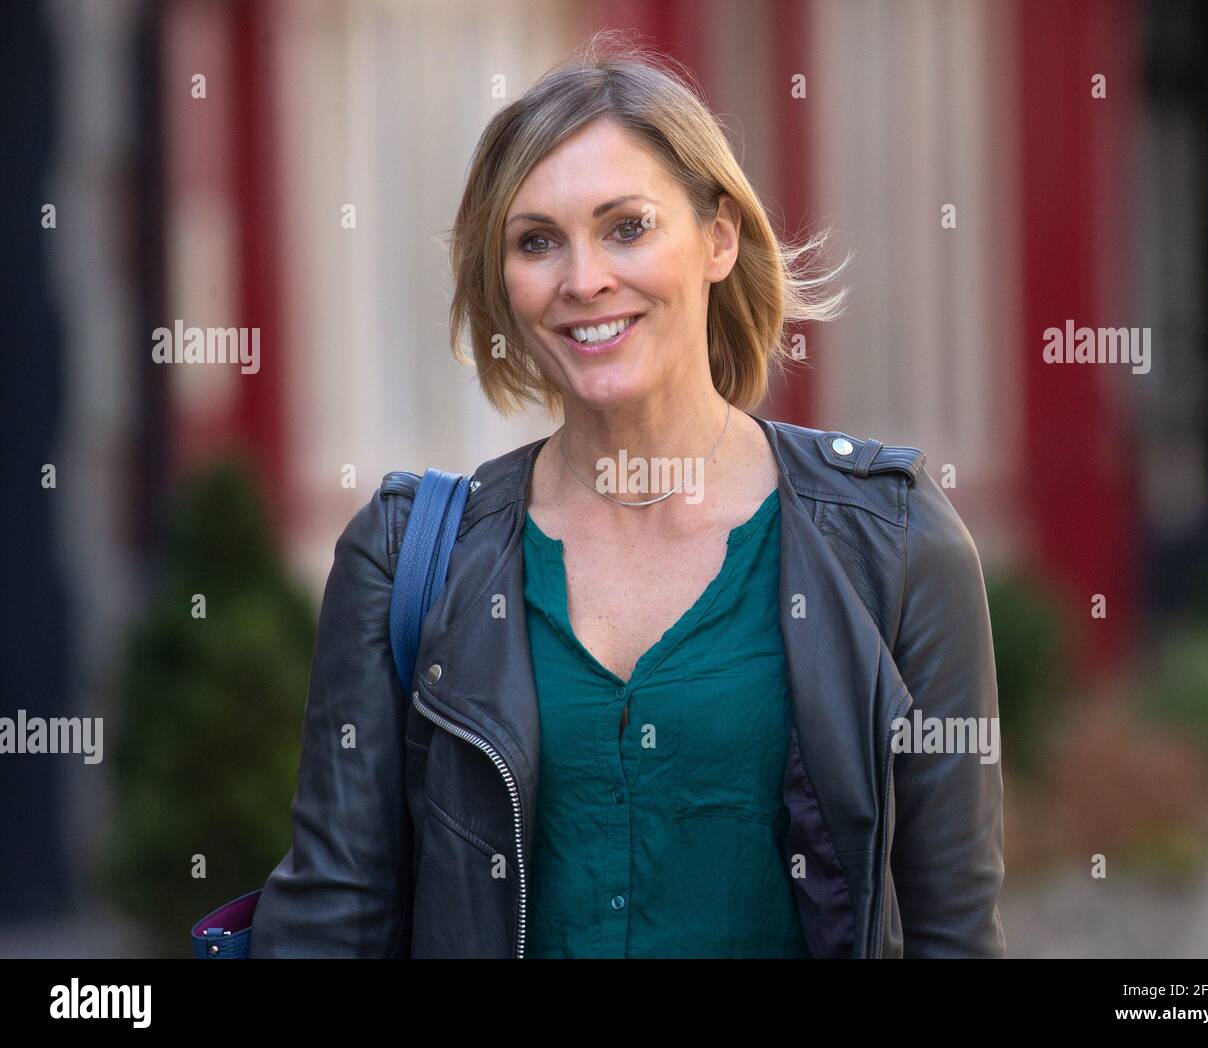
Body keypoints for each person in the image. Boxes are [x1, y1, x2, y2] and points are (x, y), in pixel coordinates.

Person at [250, 34, 1005, 959]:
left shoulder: (893, 539)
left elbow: (954, 936)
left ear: (719, 237)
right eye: (537, 242)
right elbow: (331, 920)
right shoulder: (408, 559)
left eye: (627, 226)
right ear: (503, 283)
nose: (584, 280)